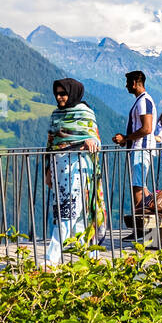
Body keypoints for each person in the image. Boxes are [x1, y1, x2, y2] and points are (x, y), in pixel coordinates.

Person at [44, 78, 107, 265]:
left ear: (72, 93)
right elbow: (50, 143)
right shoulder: (56, 114)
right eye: (57, 93)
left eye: (63, 93)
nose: (59, 97)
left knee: (68, 213)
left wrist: (90, 142)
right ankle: (90, 257)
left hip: (79, 168)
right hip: (59, 168)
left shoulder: (85, 113)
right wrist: (48, 169)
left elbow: (95, 138)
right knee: (75, 214)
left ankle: (51, 260)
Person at [111, 70, 158, 212]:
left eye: (127, 83)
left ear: (133, 84)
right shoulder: (142, 100)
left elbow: (147, 128)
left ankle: (140, 224)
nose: (125, 86)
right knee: (141, 185)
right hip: (138, 148)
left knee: (137, 186)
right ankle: (148, 215)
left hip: (141, 148)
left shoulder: (143, 101)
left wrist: (126, 138)